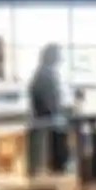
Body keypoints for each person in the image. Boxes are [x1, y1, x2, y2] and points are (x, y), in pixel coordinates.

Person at [27, 43, 67, 174]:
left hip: (44, 115)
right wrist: (58, 113)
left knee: (64, 122)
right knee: (65, 125)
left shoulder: (45, 72)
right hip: (44, 117)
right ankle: (59, 166)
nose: (61, 58)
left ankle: (60, 165)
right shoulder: (45, 75)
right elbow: (48, 102)